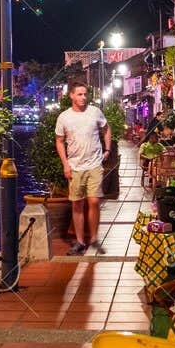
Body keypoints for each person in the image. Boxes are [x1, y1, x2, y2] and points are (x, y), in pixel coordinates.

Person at [55, 82, 111, 255]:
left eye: (85, 94)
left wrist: (107, 149)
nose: (83, 97)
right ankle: (80, 241)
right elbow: (59, 141)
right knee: (77, 204)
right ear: (71, 95)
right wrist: (65, 164)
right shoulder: (64, 117)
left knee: (94, 201)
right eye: (79, 94)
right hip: (75, 166)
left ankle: (94, 239)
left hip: (94, 164)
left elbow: (106, 129)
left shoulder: (95, 112)